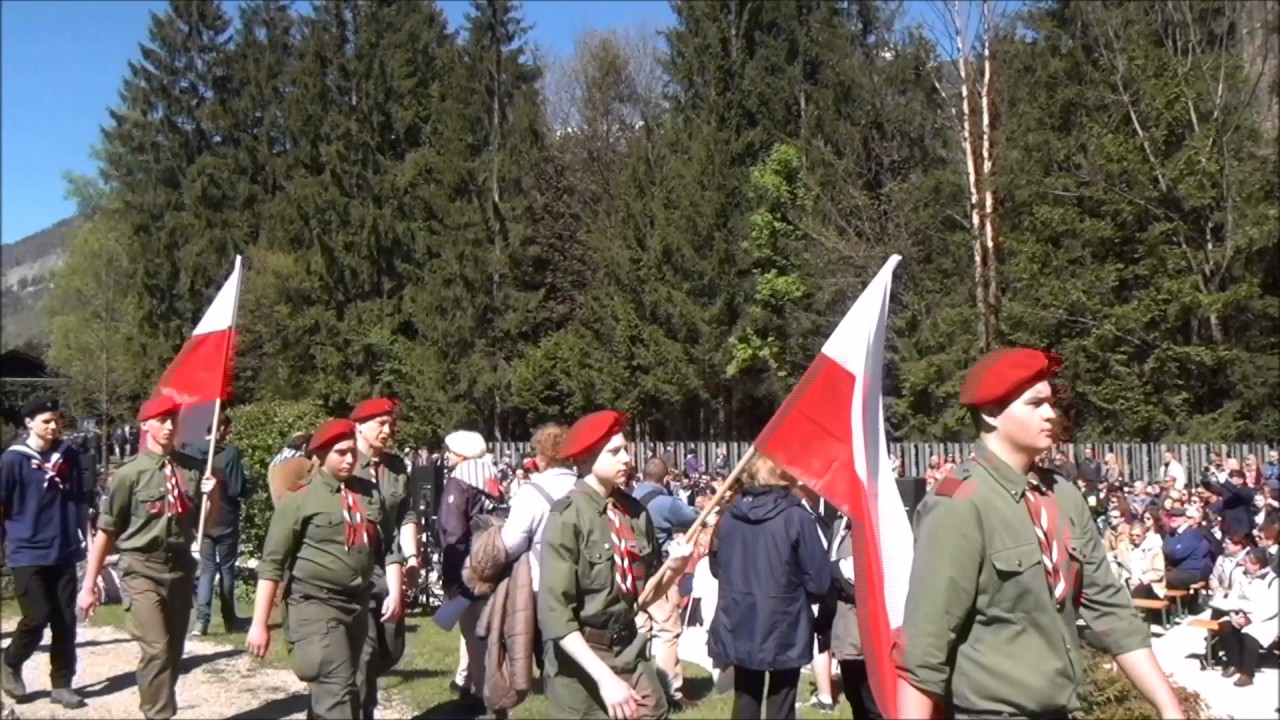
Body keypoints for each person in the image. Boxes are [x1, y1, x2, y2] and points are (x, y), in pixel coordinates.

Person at [894, 348, 1185, 719]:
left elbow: (1112, 611)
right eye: (1035, 404)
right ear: (990, 412)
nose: (1051, 414)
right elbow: (924, 650)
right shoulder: (959, 505)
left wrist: (1170, 709)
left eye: (1050, 403)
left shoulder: (1062, 495)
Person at [538, 409, 694, 720]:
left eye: (626, 449)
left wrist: (674, 568)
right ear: (584, 459)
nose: (627, 459)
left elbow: (643, 596)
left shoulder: (634, 513)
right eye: (614, 452)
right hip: (580, 661)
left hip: (628, 650)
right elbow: (555, 615)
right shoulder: (567, 517)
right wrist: (605, 679)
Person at [245, 419, 404, 719]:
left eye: (351, 452)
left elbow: (390, 544)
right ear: (320, 454)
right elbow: (272, 565)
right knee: (337, 690)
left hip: (357, 603)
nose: (349, 460)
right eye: (340, 453)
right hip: (314, 605)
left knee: (351, 686)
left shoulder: (369, 494)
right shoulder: (300, 500)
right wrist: (259, 623)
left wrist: (395, 591)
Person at [76, 395, 215, 720]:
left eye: (173, 420)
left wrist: (214, 494)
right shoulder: (129, 475)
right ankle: (158, 714)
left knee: (174, 651)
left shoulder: (192, 470)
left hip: (180, 568)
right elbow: (106, 531)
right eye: (161, 420)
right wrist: (89, 585)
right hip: (141, 569)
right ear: (145, 425)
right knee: (156, 648)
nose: (169, 426)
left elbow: (205, 525)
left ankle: (160, 703)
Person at [707, 454, 832, 720]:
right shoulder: (796, 518)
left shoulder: (729, 516)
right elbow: (819, 580)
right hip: (783, 619)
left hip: (743, 616)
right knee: (780, 703)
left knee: (746, 697)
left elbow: (717, 567)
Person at [0, 396, 90, 709]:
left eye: (57, 420)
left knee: (66, 621)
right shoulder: (13, 459)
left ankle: (62, 684)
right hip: (27, 551)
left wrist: (86, 542)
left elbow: (80, 499)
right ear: (29, 424)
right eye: (46, 421)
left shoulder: (69, 456)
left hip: (64, 549)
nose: (53, 427)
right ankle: (10, 661)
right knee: (37, 616)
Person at [348, 398, 419, 720]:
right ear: (359, 426)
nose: (388, 431)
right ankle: (357, 710)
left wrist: (413, 558)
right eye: (380, 424)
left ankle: (357, 702)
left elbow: (406, 516)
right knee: (364, 652)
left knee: (390, 647)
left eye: (391, 424)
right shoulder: (344, 463)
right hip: (354, 568)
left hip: (390, 568)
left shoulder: (397, 468)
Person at [631, 456, 701, 711]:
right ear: (666, 478)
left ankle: (639, 686)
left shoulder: (628, 497)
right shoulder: (666, 503)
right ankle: (671, 691)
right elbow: (694, 517)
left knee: (641, 631)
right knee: (667, 632)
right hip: (659, 574)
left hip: (633, 575)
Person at [438, 429, 497, 709]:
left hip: (468, 564)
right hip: (492, 559)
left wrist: (450, 577)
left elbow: (454, 531)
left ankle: (482, 695)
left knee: (473, 631)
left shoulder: (458, 482)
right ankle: (469, 682)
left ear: (461, 454)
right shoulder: (489, 474)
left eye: (451, 451)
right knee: (484, 627)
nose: (448, 455)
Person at [188, 415, 254, 636]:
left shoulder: (192, 452)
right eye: (228, 428)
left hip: (203, 519)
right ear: (221, 428)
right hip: (225, 516)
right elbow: (236, 489)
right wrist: (249, 487)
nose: (230, 432)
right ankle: (229, 619)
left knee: (207, 569)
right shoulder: (230, 453)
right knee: (226, 569)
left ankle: (202, 621)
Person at [1213, 547, 1278, 687]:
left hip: (1263, 619)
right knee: (1225, 626)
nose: (1243, 563)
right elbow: (1233, 598)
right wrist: (1233, 614)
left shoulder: (1273, 581)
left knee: (1250, 635)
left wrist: (1249, 619)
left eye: (1247, 562)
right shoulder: (1242, 576)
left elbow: (1272, 608)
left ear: (1257, 565)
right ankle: (1233, 663)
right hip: (1239, 612)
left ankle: (1247, 674)